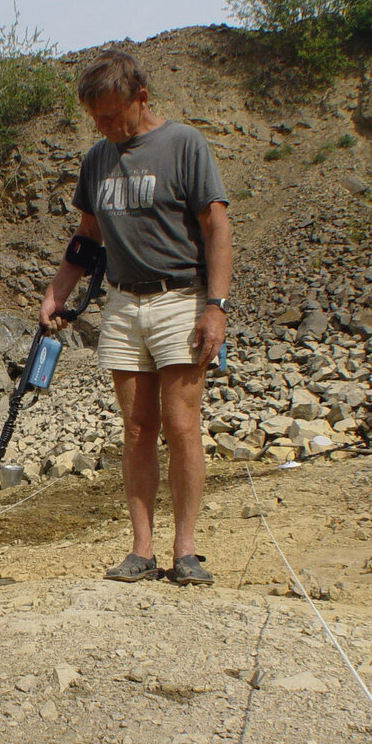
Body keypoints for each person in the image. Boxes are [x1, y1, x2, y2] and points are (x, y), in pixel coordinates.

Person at [39, 49, 233, 586]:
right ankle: (142, 550)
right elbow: (87, 237)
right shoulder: (98, 159)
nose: (102, 127)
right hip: (124, 304)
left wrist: (216, 307)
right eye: (94, 118)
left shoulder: (184, 144)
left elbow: (217, 228)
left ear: (141, 98)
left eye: (109, 114)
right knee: (137, 428)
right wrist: (58, 292)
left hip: (181, 297)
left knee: (182, 425)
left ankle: (186, 551)